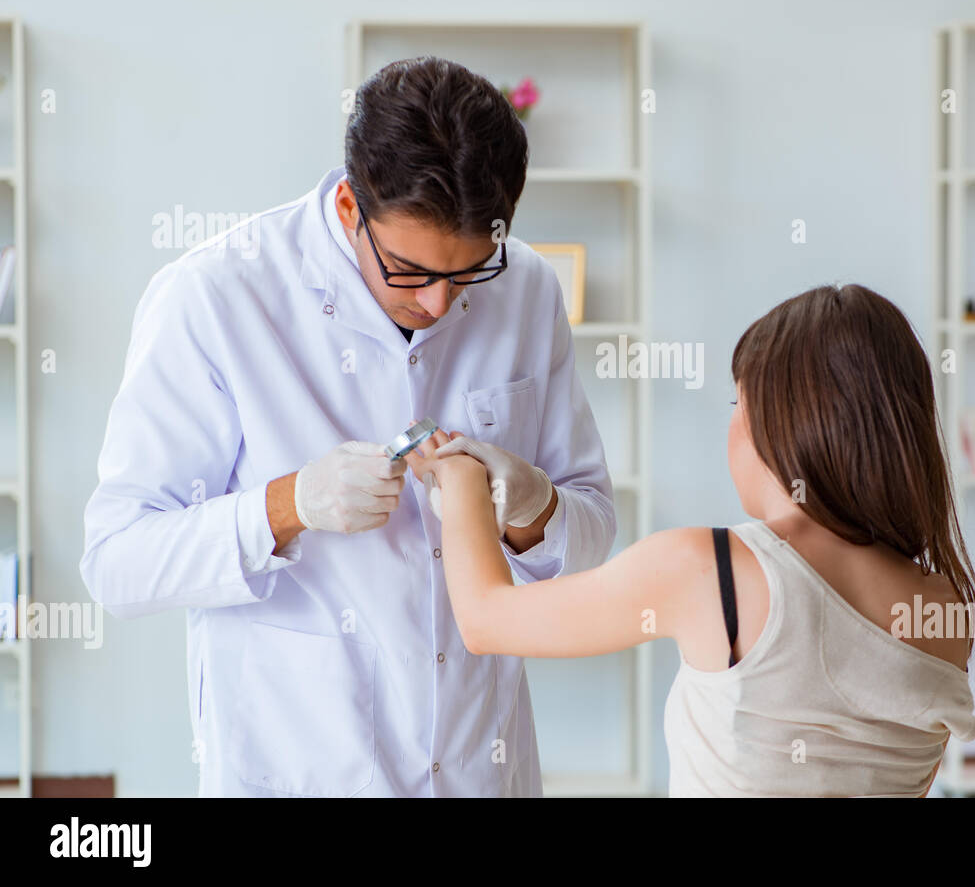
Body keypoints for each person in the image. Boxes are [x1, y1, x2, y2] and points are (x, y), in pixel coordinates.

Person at [80, 56, 616, 796]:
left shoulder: (525, 285)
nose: (435, 304)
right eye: (408, 270)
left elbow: (592, 530)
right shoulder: (215, 296)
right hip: (299, 765)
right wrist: (289, 505)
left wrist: (533, 508)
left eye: (465, 274)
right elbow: (117, 560)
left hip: (477, 765)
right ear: (346, 209)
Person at [410, 284, 975, 797]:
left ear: (778, 422)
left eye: (739, 404)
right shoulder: (944, 607)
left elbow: (486, 621)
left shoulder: (713, 569)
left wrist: (459, 481)